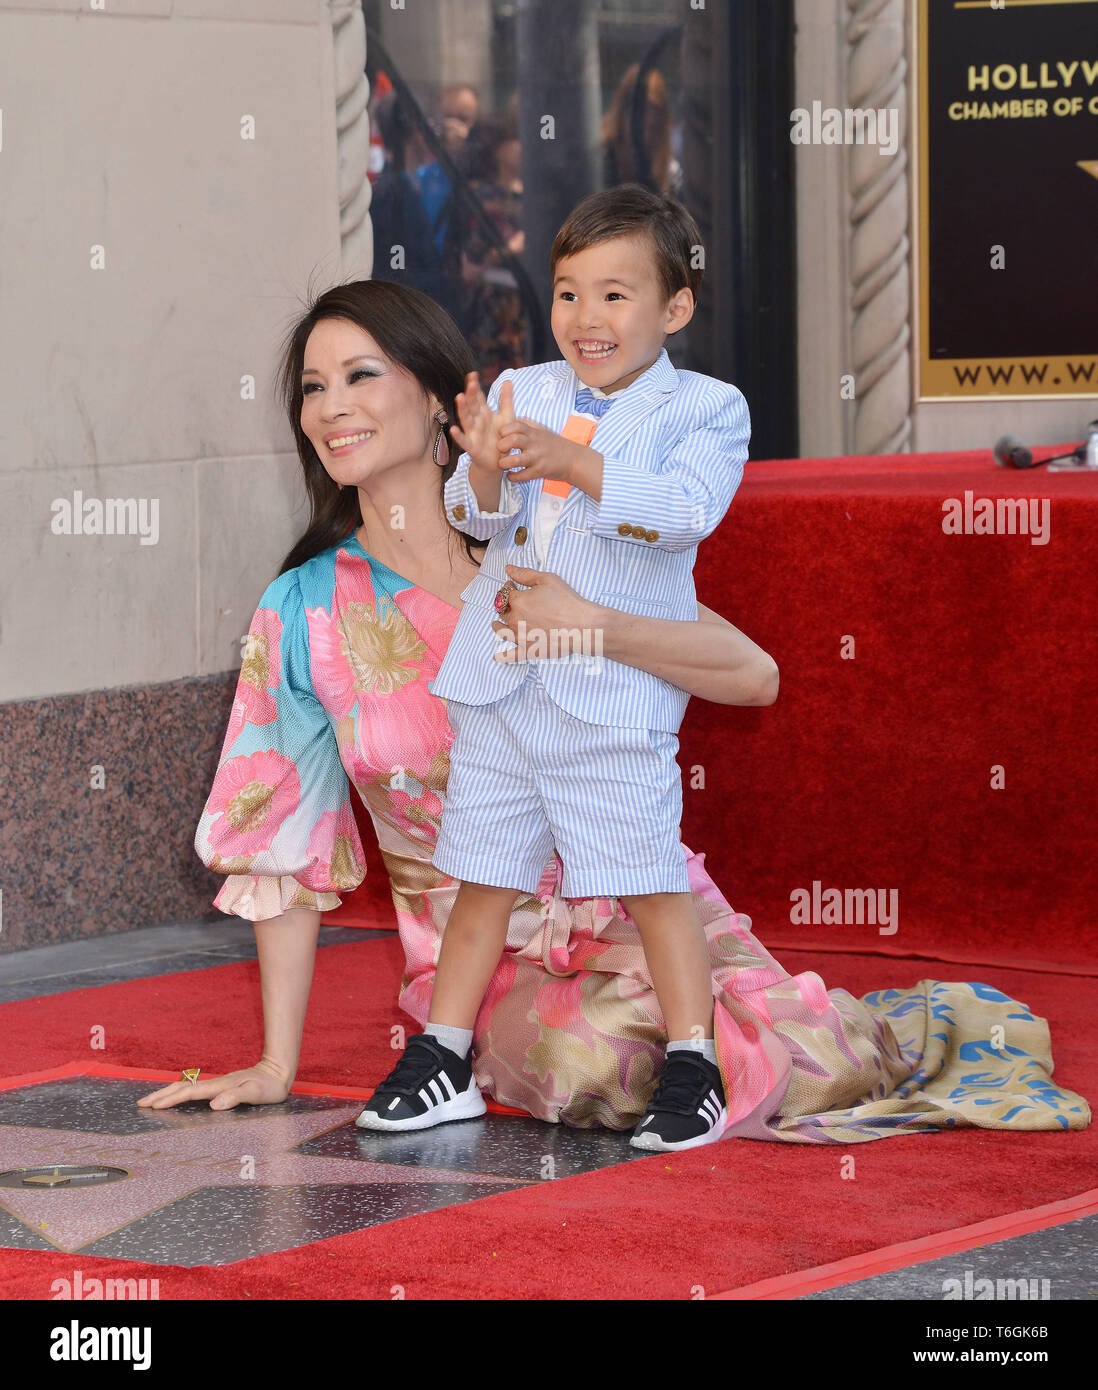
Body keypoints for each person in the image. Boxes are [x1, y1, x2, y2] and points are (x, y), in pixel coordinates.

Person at [138, 279, 1089, 1153]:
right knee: (600, 1061)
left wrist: (593, 625)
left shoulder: (547, 535)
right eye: (312, 388)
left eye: (359, 376)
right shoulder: (304, 610)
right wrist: (275, 1066)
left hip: (640, 896)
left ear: (441, 400)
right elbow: (280, 852)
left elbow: (752, 676)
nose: (331, 407)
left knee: (790, 1051)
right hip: (486, 959)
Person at [357, 186, 747, 1152]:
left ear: (676, 307)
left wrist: (571, 466)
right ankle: (444, 1053)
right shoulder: (522, 389)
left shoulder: (708, 409)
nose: (587, 319)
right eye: (569, 294)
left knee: (649, 877)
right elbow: (479, 518)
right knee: (484, 875)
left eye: (616, 296)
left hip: (611, 695)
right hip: (502, 680)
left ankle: (695, 1063)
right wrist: (485, 466)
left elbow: (684, 511)